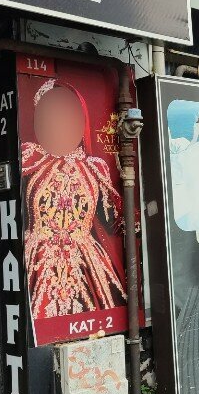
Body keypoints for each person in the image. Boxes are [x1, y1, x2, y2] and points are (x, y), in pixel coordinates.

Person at [22, 78, 126, 319]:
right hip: (37, 260)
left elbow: (112, 220)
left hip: (86, 263)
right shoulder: (29, 160)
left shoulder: (94, 168)